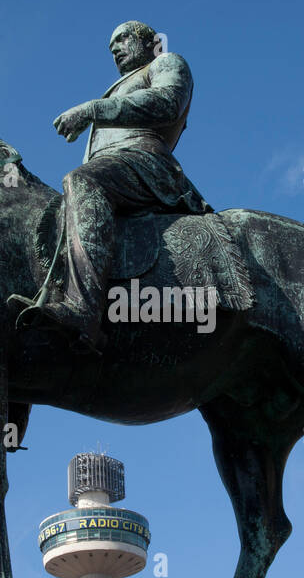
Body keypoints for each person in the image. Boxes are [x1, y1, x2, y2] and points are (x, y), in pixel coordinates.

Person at [17, 20, 212, 352]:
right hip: (116, 167)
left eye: (122, 40)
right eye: (111, 48)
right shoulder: (120, 84)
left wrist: (92, 109)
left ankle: (83, 309)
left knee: (81, 181)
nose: (116, 50)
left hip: (146, 162)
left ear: (149, 41)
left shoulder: (166, 63)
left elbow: (167, 103)